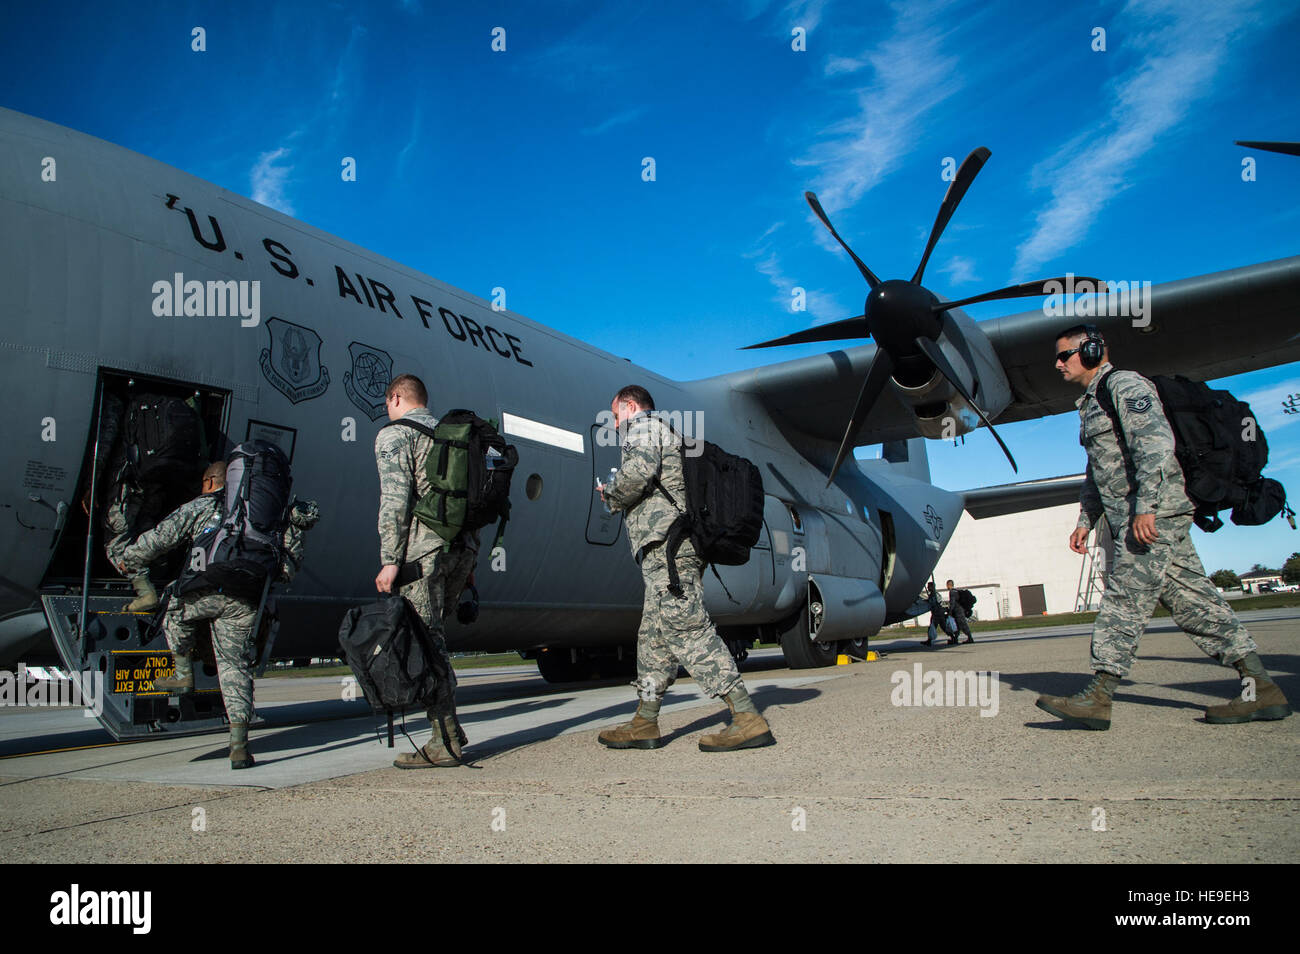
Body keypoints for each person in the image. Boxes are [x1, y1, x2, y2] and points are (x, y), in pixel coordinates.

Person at [1036, 324, 1290, 730]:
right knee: (1193, 602)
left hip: (1153, 516)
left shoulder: (1124, 385)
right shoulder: (1091, 402)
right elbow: (1097, 470)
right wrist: (1087, 519)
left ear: (1091, 351)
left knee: (1124, 599)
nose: (1058, 363)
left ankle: (1098, 696)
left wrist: (1146, 508)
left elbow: (1154, 445)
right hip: (1135, 516)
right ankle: (1261, 687)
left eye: (1064, 355)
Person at [596, 385, 774, 752]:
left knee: (687, 628)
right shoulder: (666, 430)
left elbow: (637, 475)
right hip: (668, 549)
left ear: (630, 407)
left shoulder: (642, 428)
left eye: (615, 416)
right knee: (653, 639)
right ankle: (645, 721)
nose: (614, 424)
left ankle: (746, 717)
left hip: (669, 549)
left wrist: (610, 494)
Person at [117, 462, 321, 768]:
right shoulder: (267, 516)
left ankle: (183, 673)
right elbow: (287, 572)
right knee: (234, 669)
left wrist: (131, 562)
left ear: (211, 481)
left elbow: (159, 539)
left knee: (171, 604)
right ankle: (239, 746)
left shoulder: (203, 506)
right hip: (244, 600)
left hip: (202, 593)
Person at [374, 373, 478, 768]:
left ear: (396, 397)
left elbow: (395, 501)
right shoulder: (452, 436)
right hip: (462, 550)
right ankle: (450, 730)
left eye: (387, 403)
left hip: (422, 554)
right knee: (434, 639)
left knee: (426, 644)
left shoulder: (395, 435)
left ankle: (443, 742)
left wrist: (389, 560)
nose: (387, 410)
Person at [946, 579, 974, 645]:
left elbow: (952, 603)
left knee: (963, 624)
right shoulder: (956, 591)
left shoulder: (952, 592)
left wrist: (950, 611)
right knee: (957, 625)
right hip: (959, 610)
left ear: (949, 585)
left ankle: (970, 638)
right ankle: (955, 639)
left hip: (958, 611)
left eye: (947, 585)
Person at [922, 581, 947, 647]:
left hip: (937, 613)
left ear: (932, 587)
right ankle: (929, 640)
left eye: (929, 586)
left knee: (936, 627)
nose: (927, 588)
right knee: (934, 627)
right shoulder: (934, 594)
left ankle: (953, 637)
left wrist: (928, 601)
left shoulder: (934, 594)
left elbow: (934, 603)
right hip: (937, 613)